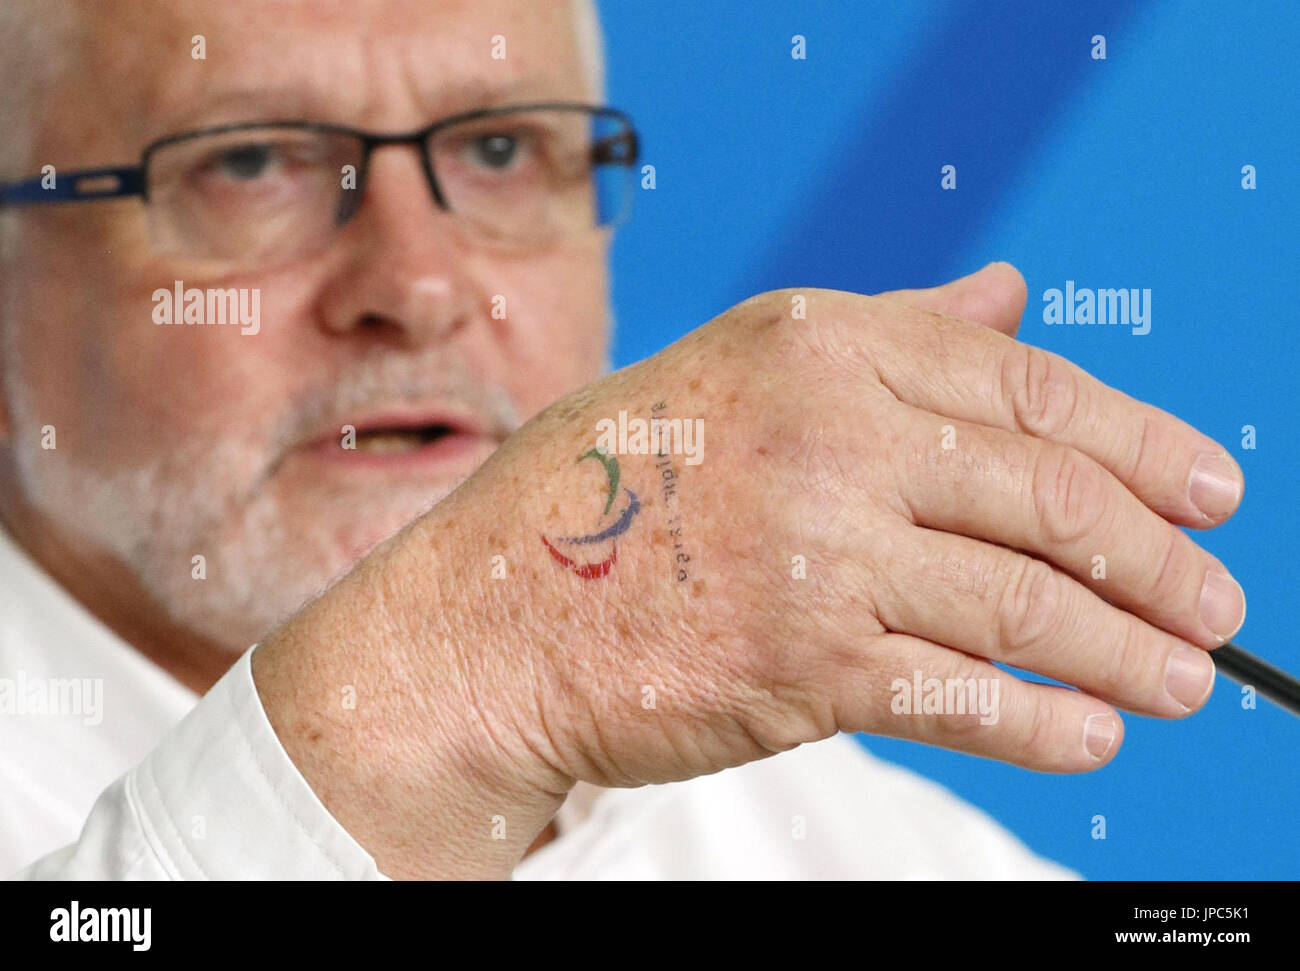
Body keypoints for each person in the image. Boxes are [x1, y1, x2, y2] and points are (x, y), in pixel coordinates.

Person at [0, 0, 1244, 880]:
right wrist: (464, 675)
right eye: (251, 162)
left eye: (498, 150)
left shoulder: (866, 851)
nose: (417, 284)